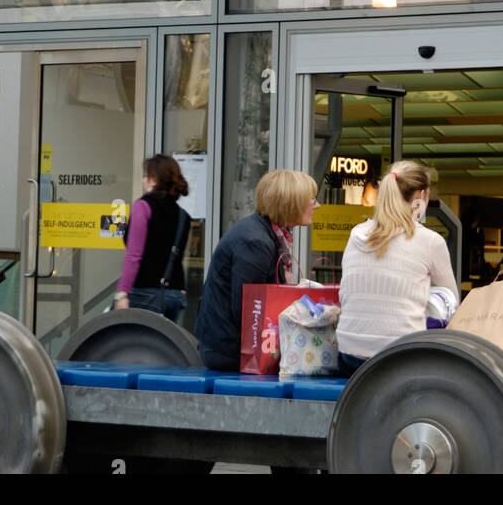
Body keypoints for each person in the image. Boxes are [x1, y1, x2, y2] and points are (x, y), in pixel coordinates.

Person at [336, 161, 458, 377]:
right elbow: (451, 303)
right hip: (401, 359)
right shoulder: (430, 241)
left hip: (348, 355)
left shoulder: (356, 234)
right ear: (421, 196)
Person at [195, 169, 318, 371]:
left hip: (233, 348)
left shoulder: (267, 233)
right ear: (290, 202)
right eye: (311, 200)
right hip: (231, 354)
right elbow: (248, 311)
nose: (317, 205)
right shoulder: (256, 241)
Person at [113, 154, 190, 324]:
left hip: (145, 294)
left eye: (146, 176)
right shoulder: (183, 216)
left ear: (154, 180)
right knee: (161, 349)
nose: (143, 181)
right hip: (176, 294)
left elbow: (134, 255)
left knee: (113, 341)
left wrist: (122, 293)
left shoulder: (143, 207)